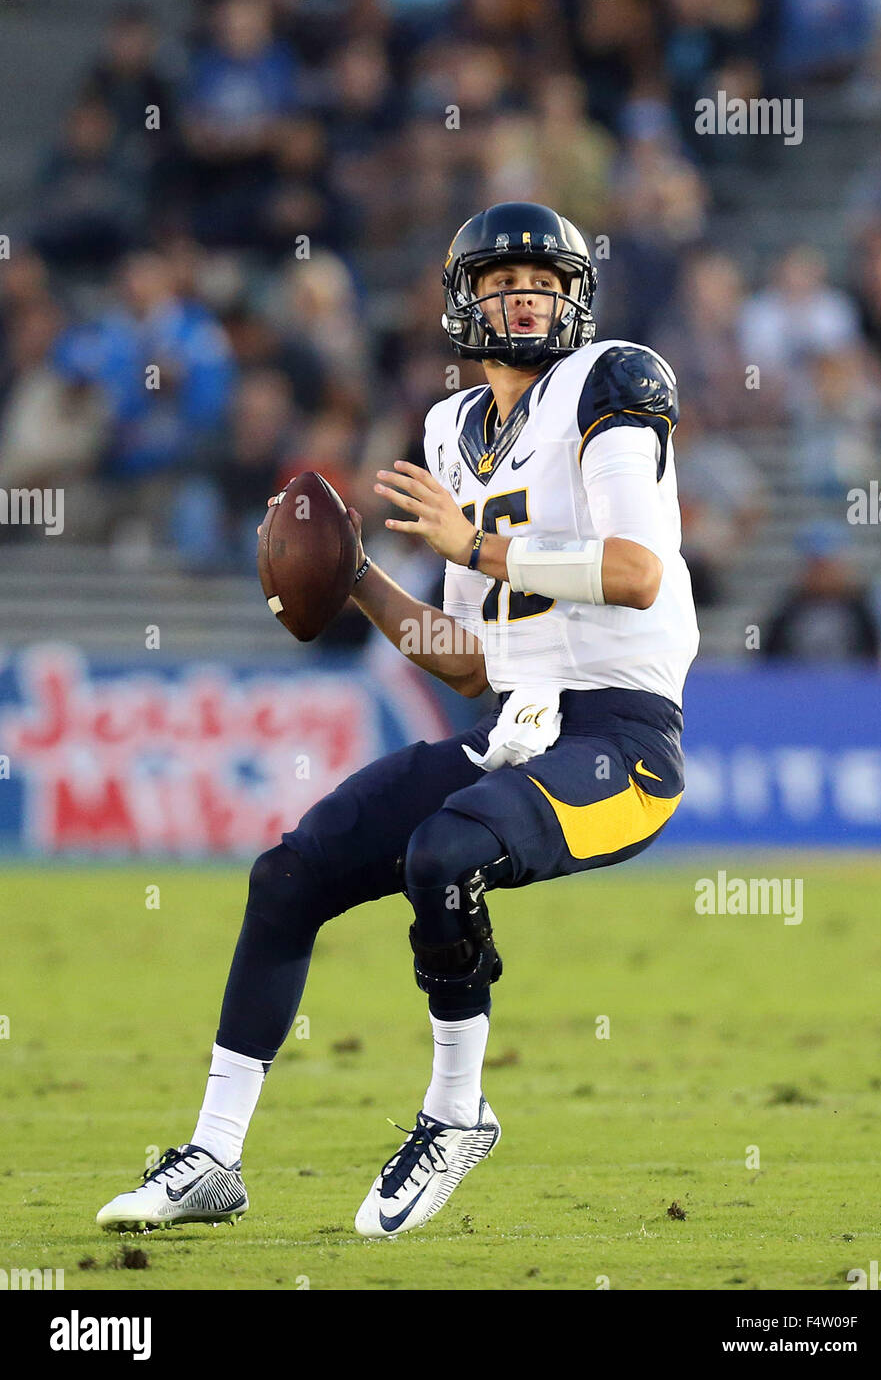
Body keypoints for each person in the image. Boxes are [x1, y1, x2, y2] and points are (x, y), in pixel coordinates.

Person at [96, 202, 699, 1239]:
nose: (525, 297)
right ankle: (213, 1155)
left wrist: (476, 547)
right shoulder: (450, 430)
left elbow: (636, 574)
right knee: (290, 872)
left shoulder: (611, 382)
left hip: (624, 743)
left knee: (443, 849)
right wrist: (358, 579)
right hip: (516, 721)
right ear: (463, 301)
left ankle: (456, 1113)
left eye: (544, 282)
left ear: (575, 298)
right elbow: (468, 660)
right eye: (503, 279)